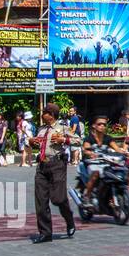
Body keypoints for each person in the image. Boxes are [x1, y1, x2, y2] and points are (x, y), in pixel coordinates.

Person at [31, 103, 80, 244]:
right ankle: (45, 233)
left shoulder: (63, 127)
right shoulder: (42, 129)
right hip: (42, 166)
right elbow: (38, 142)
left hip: (57, 165)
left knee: (58, 198)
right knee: (40, 201)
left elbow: (78, 140)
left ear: (51, 114)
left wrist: (63, 140)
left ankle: (69, 219)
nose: (42, 114)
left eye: (45, 112)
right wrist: (32, 141)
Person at [78, 115, 115, 210]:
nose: (102, 126)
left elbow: (117, 149)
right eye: (99, 124)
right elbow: (85, 149)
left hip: (105, 164)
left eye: (104, 124)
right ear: (94, 126)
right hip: (92, 163)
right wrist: (90, 153)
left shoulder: (108, 138)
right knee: (96, 174)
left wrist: (126, 153)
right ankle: (86, 196)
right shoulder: (89, 138)